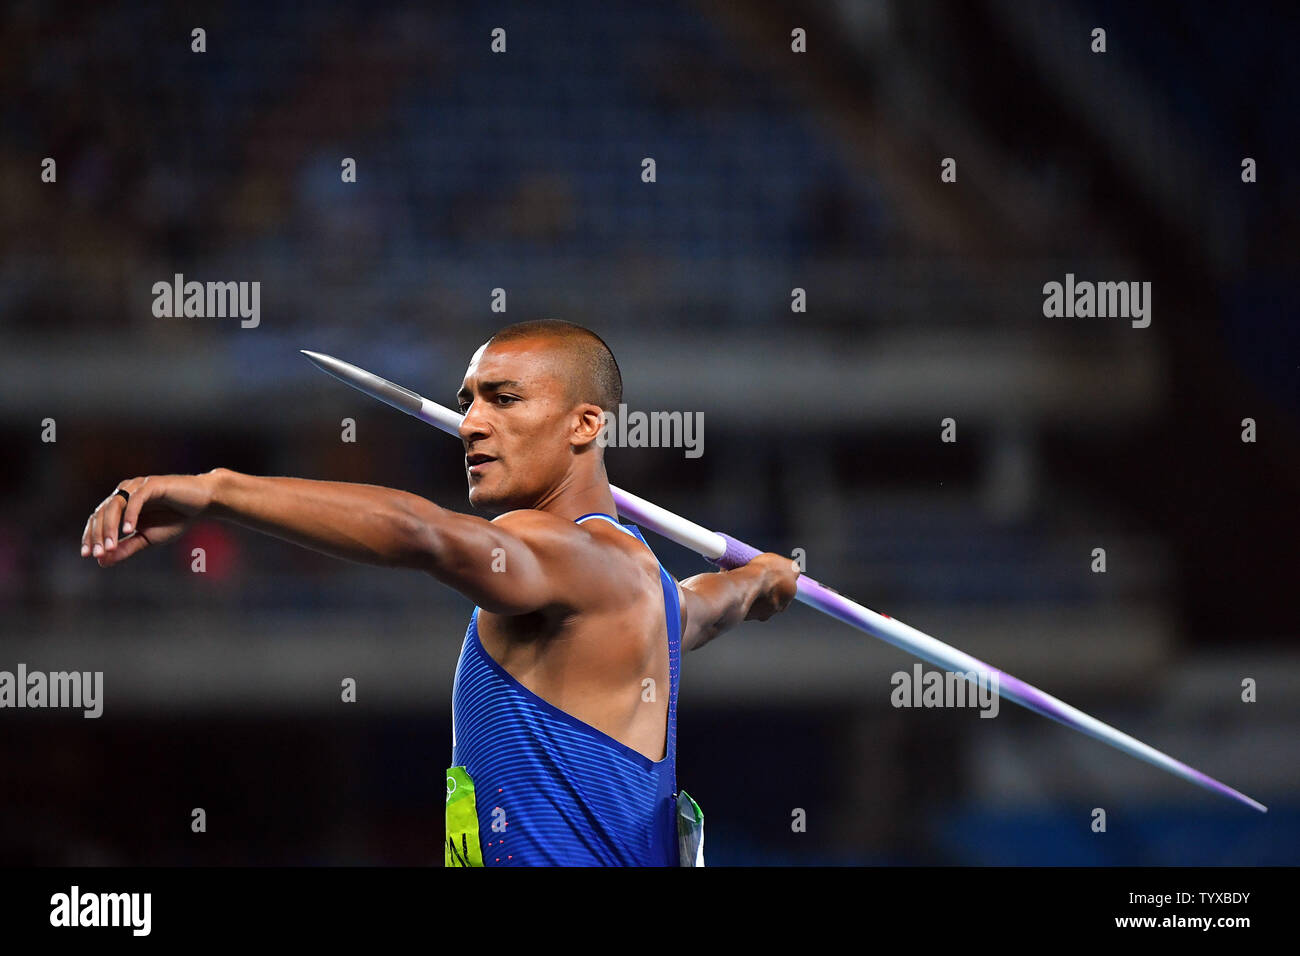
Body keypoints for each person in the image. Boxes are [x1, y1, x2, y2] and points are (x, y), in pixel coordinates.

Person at [80, 319, 800, 865]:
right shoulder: (641, 585)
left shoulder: (566, 553)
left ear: (585, 424)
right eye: (469, 401)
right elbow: (707, 606)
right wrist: (759, 580)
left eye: (504, 399)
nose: (473, 424)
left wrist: (218, 490)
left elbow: (424, 534)